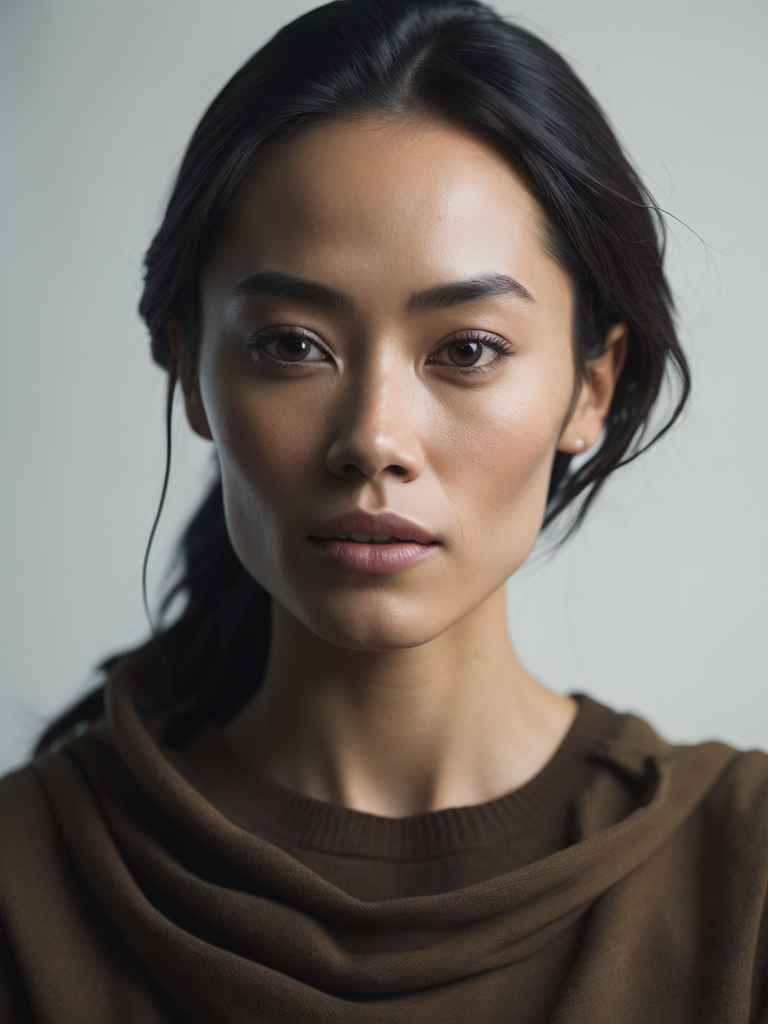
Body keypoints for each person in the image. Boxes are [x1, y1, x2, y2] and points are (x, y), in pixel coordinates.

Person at [1, 0, 767, 1020]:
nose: (373, 437)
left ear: (592, 385)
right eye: (291, 344)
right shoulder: (24, 880)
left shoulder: (745, 874)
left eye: (468, 349)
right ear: (190, 367)